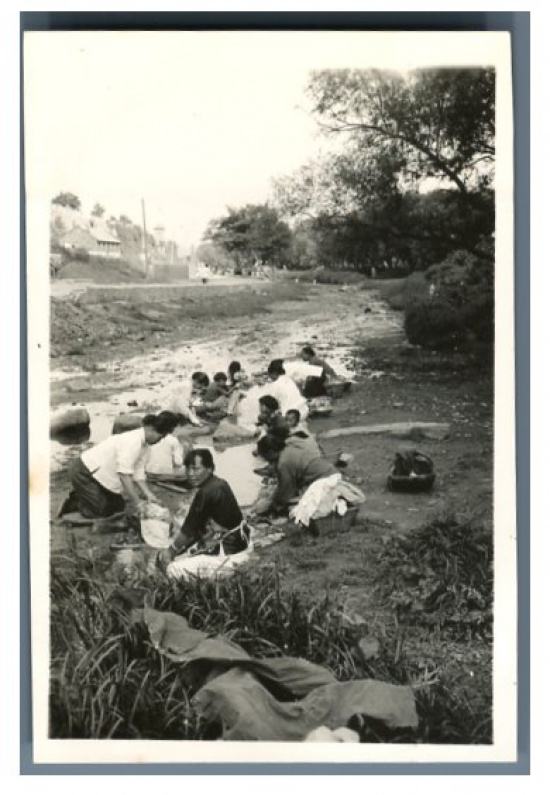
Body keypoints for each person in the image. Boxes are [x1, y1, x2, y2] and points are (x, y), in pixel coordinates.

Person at [60, 411, 180, 519]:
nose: (160, 440)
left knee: (118, 506)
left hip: (100, 476)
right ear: (151, 429)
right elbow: (124, 474)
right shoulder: (132, 441)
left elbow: (138, 472)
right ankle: (77, 500)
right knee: (101, 511)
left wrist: (148, 494)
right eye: (161, 436)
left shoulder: (145, 447)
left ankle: (88, 495)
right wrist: (137, 503)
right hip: (84, 471)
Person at [158, 448, 250, 567]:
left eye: (196, 469)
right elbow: (197, 526)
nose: (190, 474)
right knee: (184, 549)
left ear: (210, 469)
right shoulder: (220, 483)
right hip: (241, 541)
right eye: (187, 469)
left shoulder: (207, 492)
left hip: (229, 551)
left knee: (173, 568)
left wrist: (171, 551)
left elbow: (188, 530)